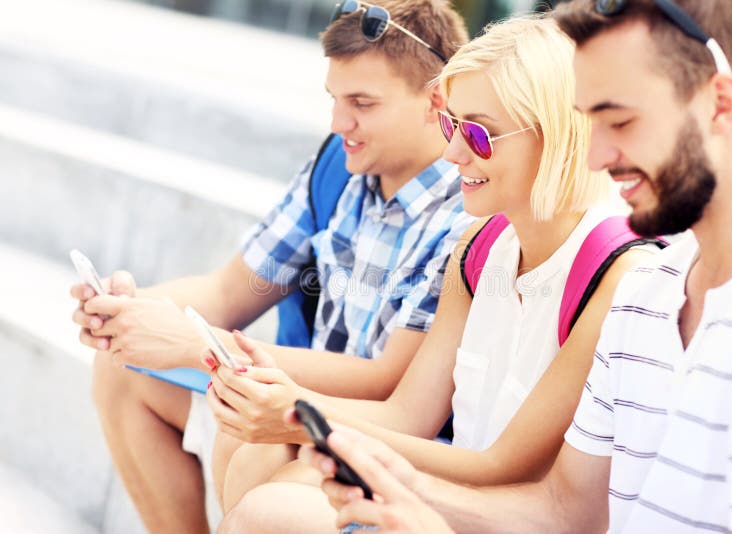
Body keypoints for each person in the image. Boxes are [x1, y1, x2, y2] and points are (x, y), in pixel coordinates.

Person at [301, 0, 732, 532]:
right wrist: (409, 489)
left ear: (720, 104)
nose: (593, 156)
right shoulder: (648, 294)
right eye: (588, 122)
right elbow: (566, 511)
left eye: (621, 120)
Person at [206, 15, 656, 532]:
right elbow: (408, 416)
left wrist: (296, 409)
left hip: (502, 513)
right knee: (258, 455)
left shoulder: (616, 272)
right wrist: (282, 398)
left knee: (273, 506)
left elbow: (503, 468)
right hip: (453, 491)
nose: (453, 153)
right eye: (451, 125)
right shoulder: (478, 246)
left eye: (480, 134)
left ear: (557, 133)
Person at [68, 1, 470, 531]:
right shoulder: (341, 166)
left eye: (363, 103)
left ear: (435, 99)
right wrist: (133, 311)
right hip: (295, 399)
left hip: (383, 430)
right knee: (122, 368)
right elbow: (231, 287)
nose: (338, 122)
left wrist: (195, 344)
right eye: (334, 98)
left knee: (253, 446)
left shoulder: (466, 209)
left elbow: (390, 381)